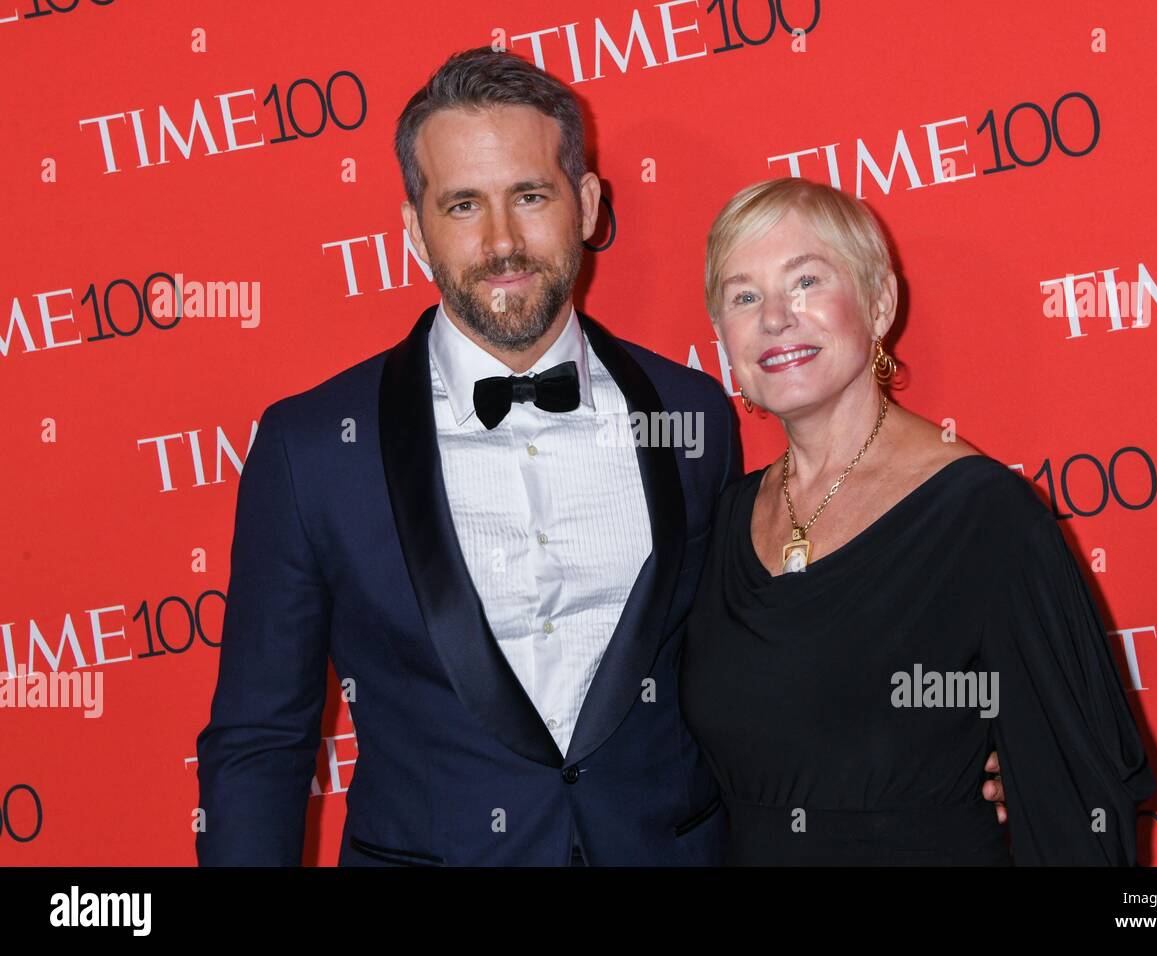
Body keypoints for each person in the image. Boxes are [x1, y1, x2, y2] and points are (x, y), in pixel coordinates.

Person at [194, 48, 1005, 867]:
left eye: (531, 195)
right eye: (464, 205)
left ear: (583, 203)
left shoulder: (691, 416)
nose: (502, 240)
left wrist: (940, 744)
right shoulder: (312, 449)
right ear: (414, 230)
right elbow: (260, 739)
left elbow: (763, 655)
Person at [680, 177, 1156, 865]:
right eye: (744, 295)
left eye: (806, 281)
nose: (775, 317)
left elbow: (1076, 807)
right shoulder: (725, 519)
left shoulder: (985, 518)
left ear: (878, 305)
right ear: (723, 335)